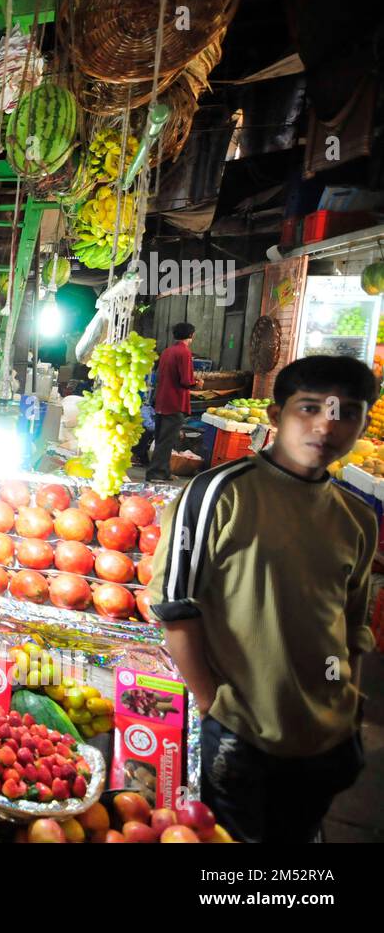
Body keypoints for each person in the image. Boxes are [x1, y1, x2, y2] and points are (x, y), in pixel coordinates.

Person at [147, 355, 376, 842]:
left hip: (328, 739)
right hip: (242, 734)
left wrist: (348, 703)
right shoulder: (218, 493)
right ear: (275, 416)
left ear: (364, 423)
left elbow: (353, 623)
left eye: (346, 412)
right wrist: (212, 704)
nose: (326, 425)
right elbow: (175, 607)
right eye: (309, 407)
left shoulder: (358, 518)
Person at [145, 322, 203, 482]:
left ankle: (162, 471)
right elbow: (186, 380)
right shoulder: (184, 352)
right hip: (175, 402)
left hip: (162, 401)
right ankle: (156, 474)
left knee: (162, 439)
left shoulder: (167, 351)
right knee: (167, 440)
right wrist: (197, 383)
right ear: (191, 335)